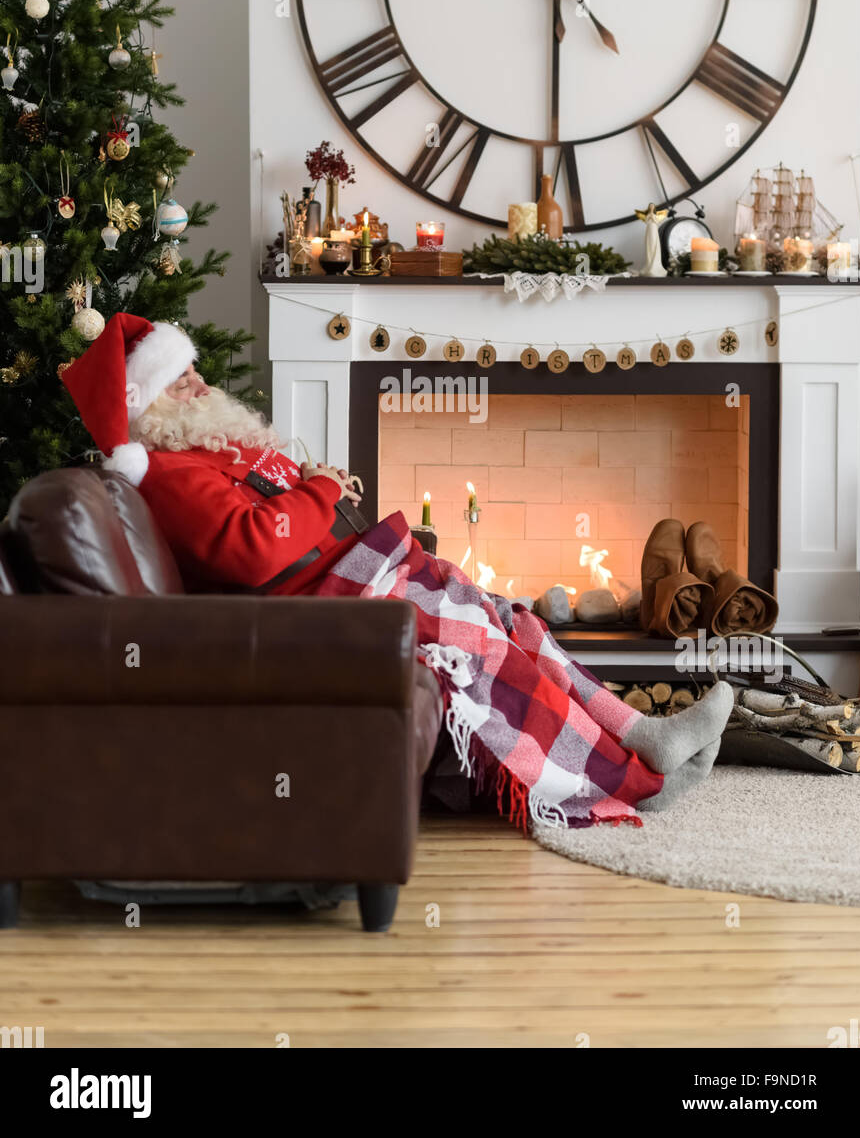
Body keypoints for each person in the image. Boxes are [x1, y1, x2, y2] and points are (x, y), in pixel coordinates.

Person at [62, 314, 734, 833]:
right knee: (479, 650)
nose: (202, 386)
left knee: (511, 620)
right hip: (320, 604)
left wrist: (308, 485)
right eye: (181, 383)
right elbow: (257, 549)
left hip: (357, 573)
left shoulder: (209, 456)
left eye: (194, 372)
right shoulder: (173, 478)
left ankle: (640, 732)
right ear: (147, 410)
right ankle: (631, 782)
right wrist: (320, 490)